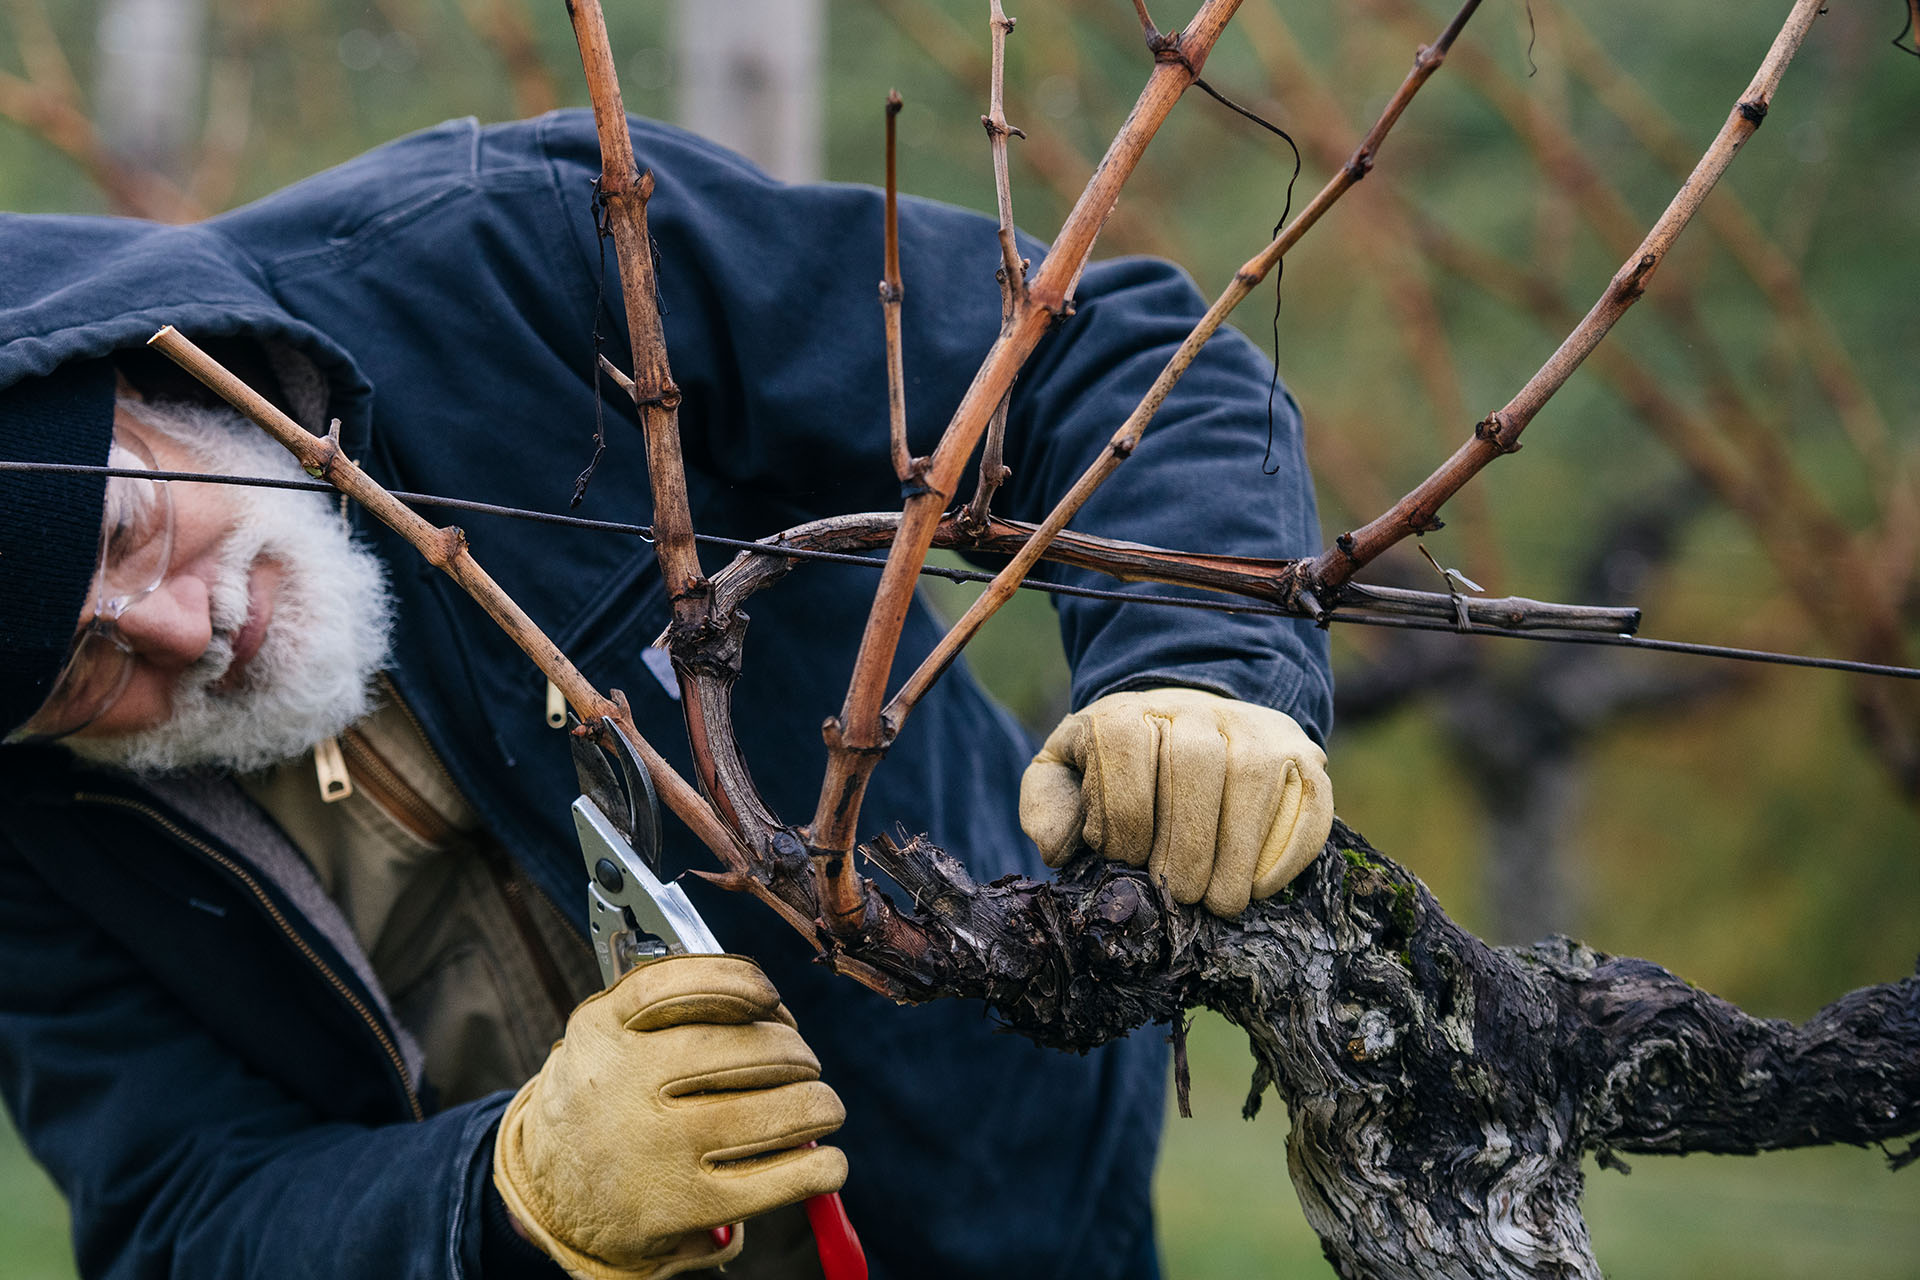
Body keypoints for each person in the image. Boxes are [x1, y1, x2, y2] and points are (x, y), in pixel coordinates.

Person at [0, 111, 1334, 1279]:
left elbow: (1098, 361)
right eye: (81, 671)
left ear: (123, 363)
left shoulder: (505, 256)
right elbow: (181, 1212)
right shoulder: (25, 820)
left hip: (1011, 1195)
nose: (185, 628)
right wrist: (504, 1199)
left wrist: (1204, 671)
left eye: (123, 531)